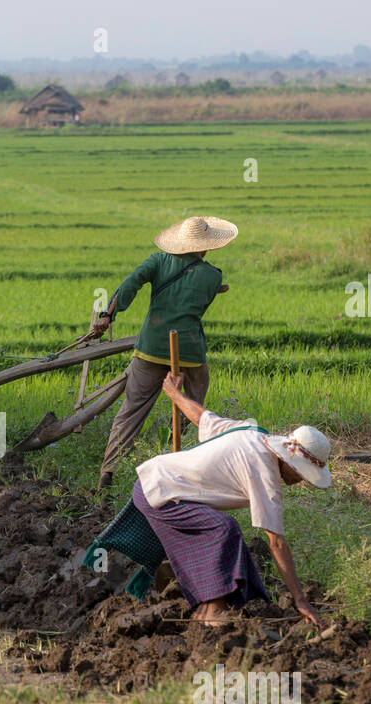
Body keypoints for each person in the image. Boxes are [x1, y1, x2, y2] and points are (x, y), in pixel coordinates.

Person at [131, 372, 332, 628]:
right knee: (224, 529)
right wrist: (300, 599)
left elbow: (202, 418)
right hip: (158, 493)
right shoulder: (265, 473)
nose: (301, 480)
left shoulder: (253, 432)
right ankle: (213, 612)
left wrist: (175, 395)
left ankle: (206, 605)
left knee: (219, 531)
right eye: (302, 474)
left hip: (156, 482)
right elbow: (277, 543)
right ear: (291, 462)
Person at [94, 215, 236, 489]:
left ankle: (108, 471)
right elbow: (198, 297)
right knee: (193, 400)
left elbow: (131, 283)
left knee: (131, 411)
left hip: (151, 347)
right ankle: (175, 447)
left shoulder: (157, 261)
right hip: (189, 353)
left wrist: (107, 315)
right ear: (206, 246)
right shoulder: (212, 275)